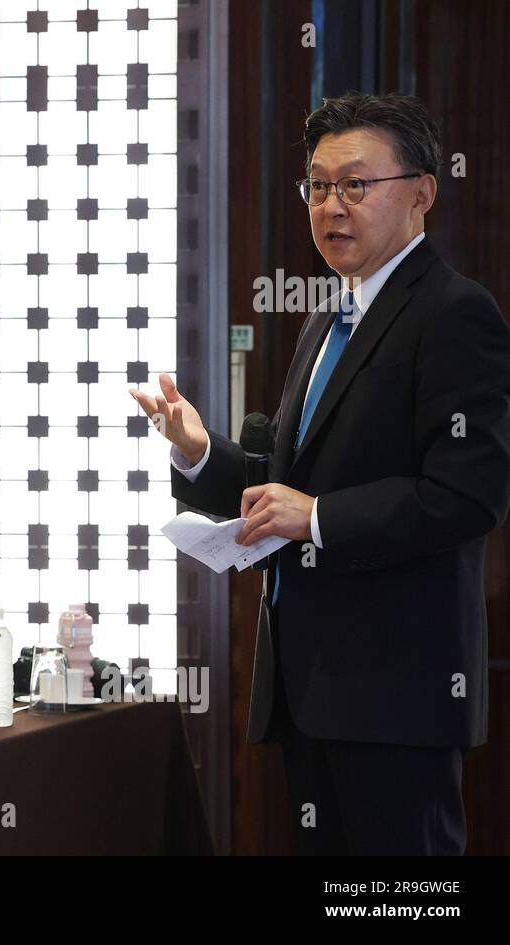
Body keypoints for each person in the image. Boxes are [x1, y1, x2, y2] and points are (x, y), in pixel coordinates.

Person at [131, 92, 510, 854]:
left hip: (397, 695)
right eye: (318, 186)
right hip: (311, 689)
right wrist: (199, 452)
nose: (333, 205)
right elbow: (290, 478)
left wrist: (319, 517)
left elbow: (467, 494)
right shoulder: (326, 318)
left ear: (422, 192)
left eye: (356, 185)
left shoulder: (453, 313)